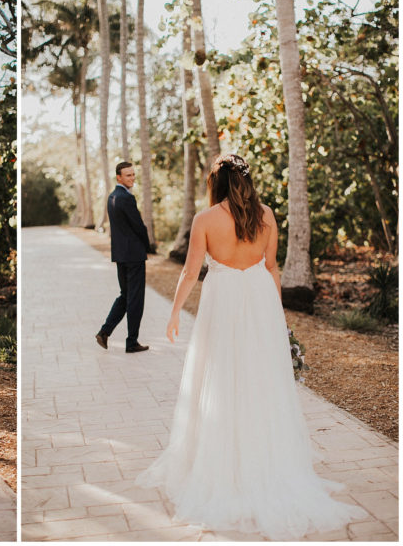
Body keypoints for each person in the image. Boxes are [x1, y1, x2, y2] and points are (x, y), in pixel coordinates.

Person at [139, 153, 355, 539]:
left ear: (215, 183)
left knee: (221, 375)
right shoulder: (267, 215)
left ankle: (224, 463)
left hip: (222, 299)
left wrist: (173, 313)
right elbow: (271, 266)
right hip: (258, 299)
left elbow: (191, 271)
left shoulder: (205, 220)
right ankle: (264, 459)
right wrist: (278, 317)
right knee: (261, 378)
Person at [96, 160, 154, 353]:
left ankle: (104, 332)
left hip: (120, 255)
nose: (132, 178)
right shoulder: (126, 198)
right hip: (134, 255)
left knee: (125, 296)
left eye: (133, 174)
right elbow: (138, 225)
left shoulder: (112, 197)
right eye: (128, 175)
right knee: (135, 299)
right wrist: (148, 246)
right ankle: (132, 342)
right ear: (118, 177)